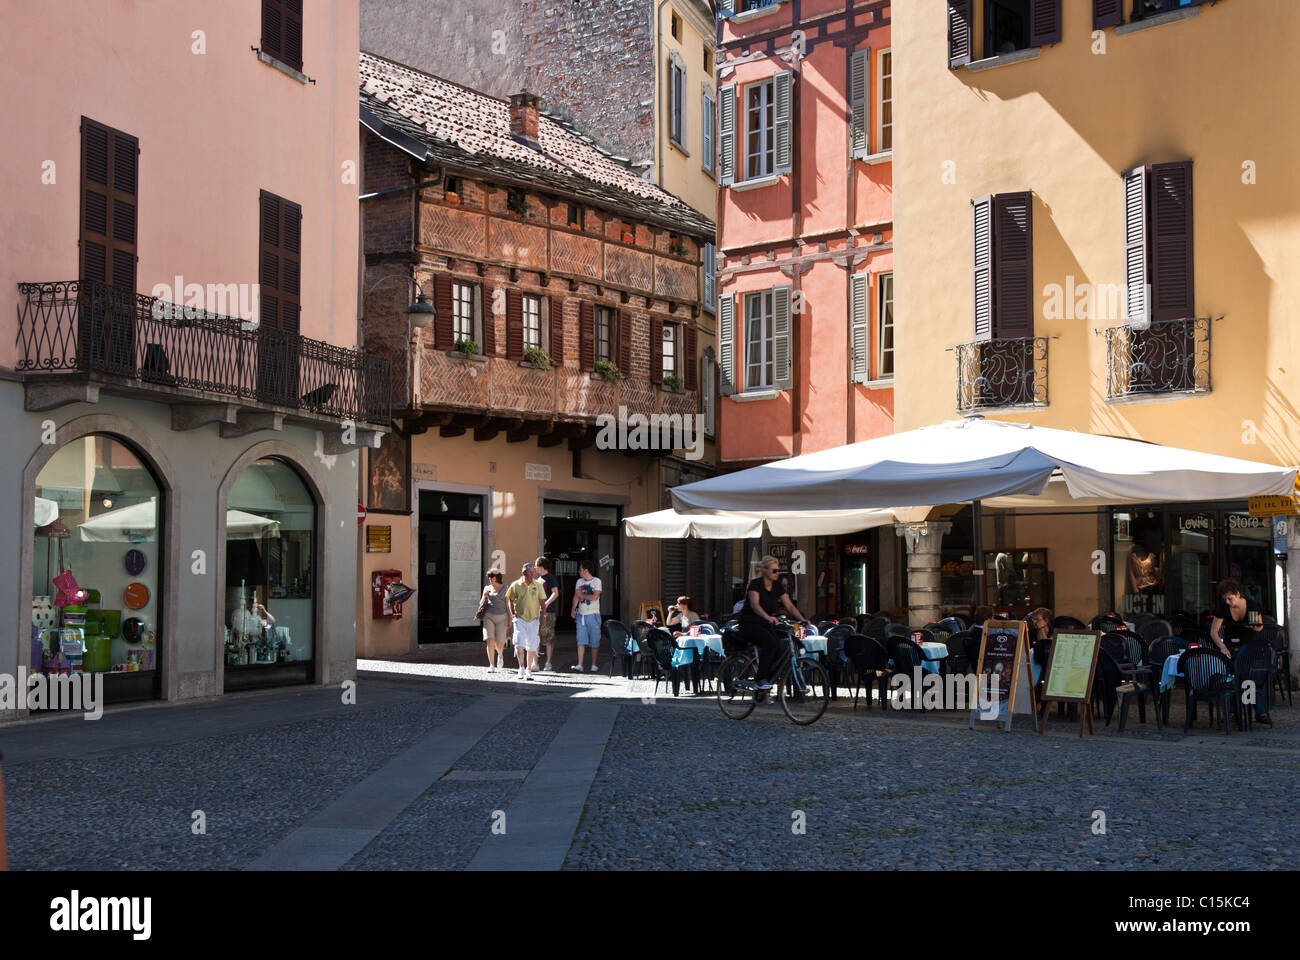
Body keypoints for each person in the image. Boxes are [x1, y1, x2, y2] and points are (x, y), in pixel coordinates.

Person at [738, 555, 808, 692]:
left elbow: (789, 605)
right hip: (749, 624)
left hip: (764, 625)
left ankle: (767, 677)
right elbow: (754, 605)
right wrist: (767, 617)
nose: (777, 574)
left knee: (780, 645)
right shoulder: (755, 584)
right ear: (765, 571)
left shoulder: (777, 586)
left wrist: (803, 619)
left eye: (778, 571)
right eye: (774, 571)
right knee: (770, 642)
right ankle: (760, 679)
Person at [1211, 578, 1269, 723]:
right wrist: (1222, 647)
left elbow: (1260, 626)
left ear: (1238, 594)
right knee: (1237, 675)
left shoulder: (1252, 604)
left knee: (1242, 675)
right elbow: (1213, 631)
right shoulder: (1224, 607)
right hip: (1231, 646)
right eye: (1225, 599)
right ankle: (1255, 712)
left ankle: (1238, 711)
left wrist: (1254, 626)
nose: (1227, 602)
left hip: (1250, 646)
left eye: (1230, 598)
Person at [505, 562, 547, 680]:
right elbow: (509, 599)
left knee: (531, 646)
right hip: (519, 619)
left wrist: (543, 616)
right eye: (530, 572)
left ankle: (528, 669)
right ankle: (521, 668)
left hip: (534, 619)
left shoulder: (538, 585)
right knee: (519, 644)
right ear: (524, 573)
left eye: (533, 572)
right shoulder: (515, 585)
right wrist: (512, 614)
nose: (533, 574)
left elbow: (542, 602)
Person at [570, 557, 602, 673]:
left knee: (594, 641)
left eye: (580, 569)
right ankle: (580, 664)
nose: (579, 571)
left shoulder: (596, 581)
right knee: (581, 640)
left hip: (593, 615)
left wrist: (581, 596)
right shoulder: (579, 581)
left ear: (586, 570)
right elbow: (575, 596)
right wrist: (573, 609)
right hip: (581, 615)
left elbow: (595, 597)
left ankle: (594, 664)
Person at [479, 569, 509, 672]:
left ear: (497, 577)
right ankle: (491, 665)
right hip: (489, 617)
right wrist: (484, 596)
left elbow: (508, 605)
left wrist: (510, 619)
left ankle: (500, 655)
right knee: (489, 640)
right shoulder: (487, 588)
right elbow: (481, 603)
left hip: (502, 618)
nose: (490, 579)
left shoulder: (505, 588)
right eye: (489, 577)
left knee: (499, 643)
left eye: (492, 576)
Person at [534, 557, 560, 671]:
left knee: (548, 637)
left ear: (541, 567)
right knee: (535, 637)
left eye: (536, 566)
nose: (534, 568)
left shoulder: (550, 578)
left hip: (548, 612)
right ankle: (535, 663)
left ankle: (548, 663)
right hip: (537, 612)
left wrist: (547, 603)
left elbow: (555, 593)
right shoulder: (538, 579)